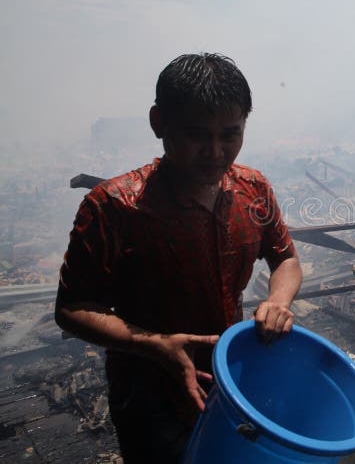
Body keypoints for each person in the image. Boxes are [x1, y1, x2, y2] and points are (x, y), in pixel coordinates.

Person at [54, 53, 303, 462]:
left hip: (231, 379)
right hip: (148, 393)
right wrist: (157, 345)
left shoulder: (253, 189)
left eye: (230, 134)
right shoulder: (114, 207)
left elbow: (286, 260)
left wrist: (278, 302)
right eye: (196, 135)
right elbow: (73, 308)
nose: (216, 152)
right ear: (159, 123)